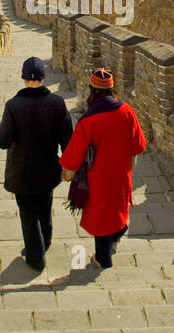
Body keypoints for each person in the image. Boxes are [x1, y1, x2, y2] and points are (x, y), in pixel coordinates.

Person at [60, 68, 147, 270]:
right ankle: (115, 238)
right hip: (121, 175)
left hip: (97, 178)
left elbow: (75, 154)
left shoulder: (88, 121)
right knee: (118, 211)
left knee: (101, 219)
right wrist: (130, 164)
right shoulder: (127, 111)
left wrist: (67, 173)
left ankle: (103, 260)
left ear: (92, 90)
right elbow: (138, 145)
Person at [0, 56, 73, 273]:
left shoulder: (13, 105)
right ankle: (44, 243)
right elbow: (68, 139)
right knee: (44, 207)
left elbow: (2, 141)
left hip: (22, 172)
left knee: (28, 214)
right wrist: (69, 166)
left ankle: (36, 259)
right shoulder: (57, 103)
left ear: (24, 79)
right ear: (43, 78)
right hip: (48, 168)